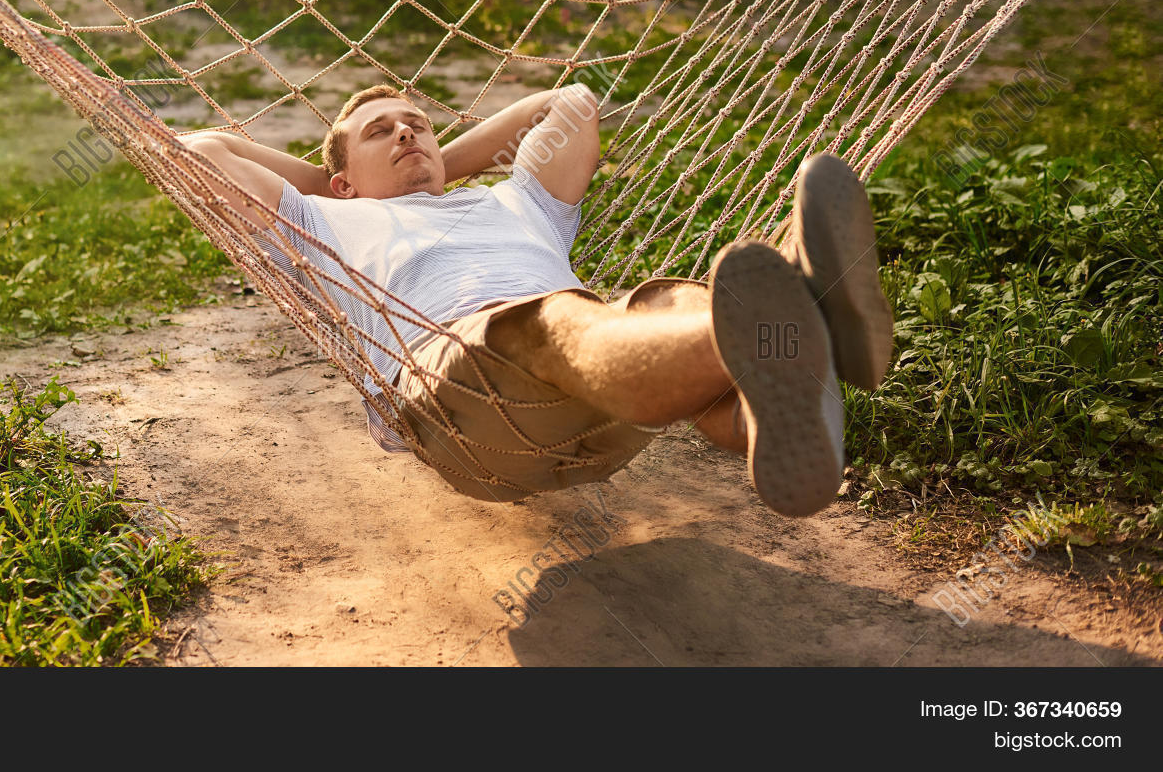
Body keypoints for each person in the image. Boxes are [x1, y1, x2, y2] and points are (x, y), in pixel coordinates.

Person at [179, 83, 893, 516]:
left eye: (419, 123)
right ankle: (799, 315)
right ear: (337, 183)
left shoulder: (517, 201)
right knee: (551, 322)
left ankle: (763, 404)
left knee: (662, 303)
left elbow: (568, 106)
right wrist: (347, 181)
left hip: (611, 397)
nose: (407, 130)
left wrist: (430, 164)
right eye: (382, 130)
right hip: (461, 404)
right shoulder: (322, 221)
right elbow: (200, 149)